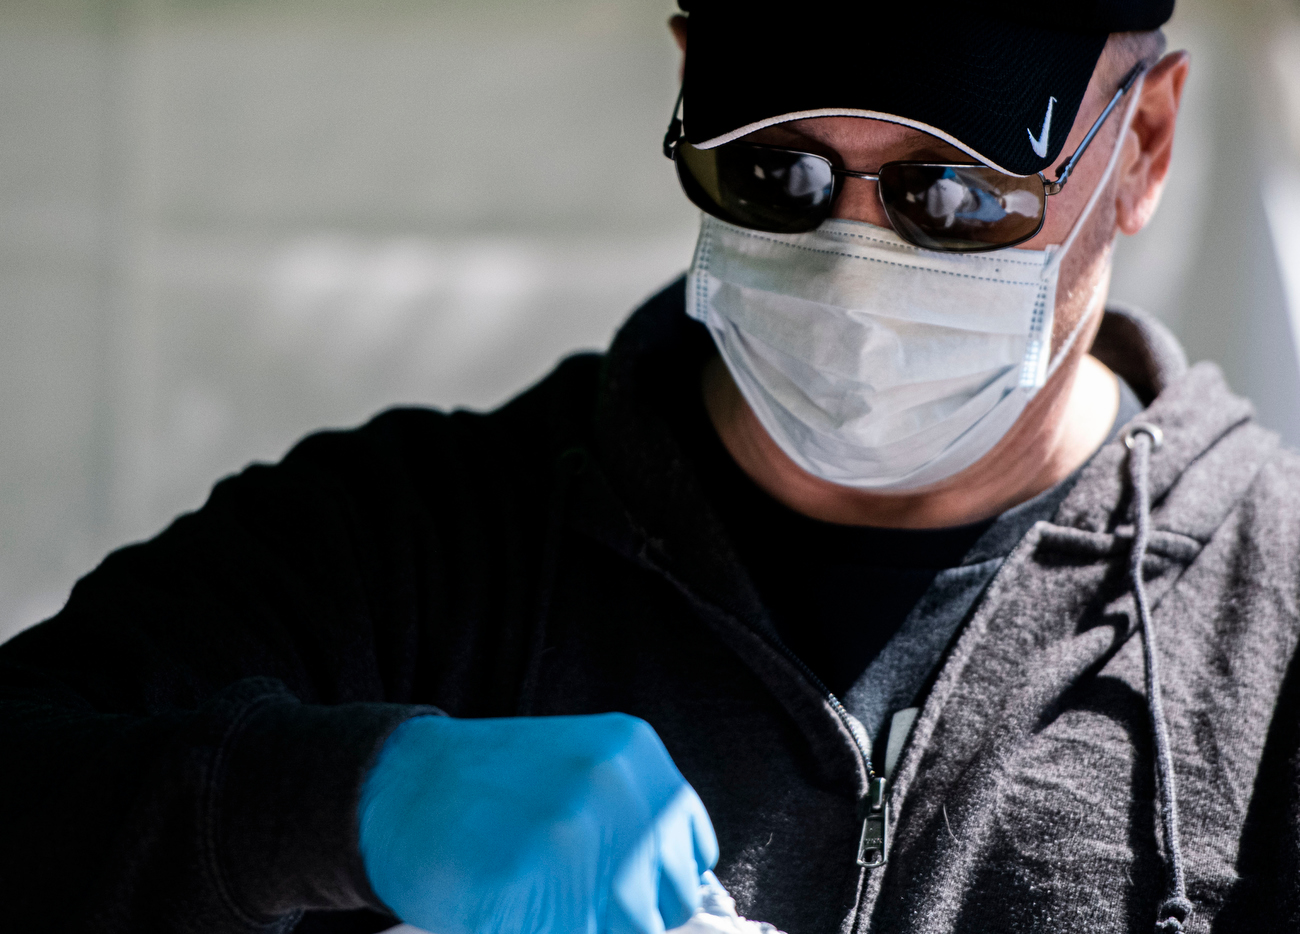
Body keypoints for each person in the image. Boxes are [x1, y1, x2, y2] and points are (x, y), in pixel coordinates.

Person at [3, 1, 1295, 932]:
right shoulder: (408, 548)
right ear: (687, 82)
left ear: (1145, 144)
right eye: (775, 172)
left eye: (951, 193)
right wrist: (339, 799)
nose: (853, 269)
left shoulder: (1274, 626)